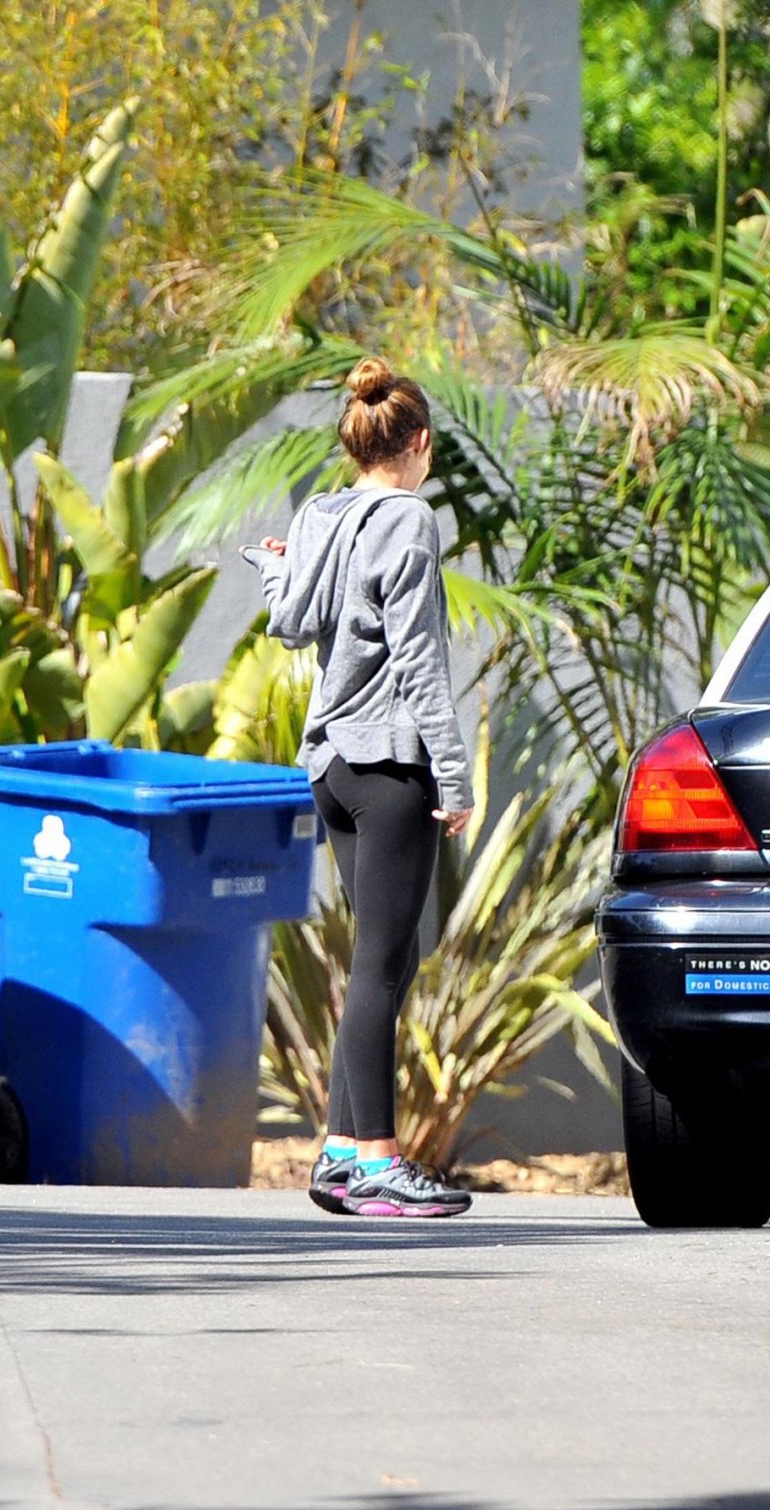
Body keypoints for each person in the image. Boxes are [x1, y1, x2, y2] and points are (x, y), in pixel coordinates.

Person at [241, 356, 474, 1218]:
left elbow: (292, 619)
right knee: (381, 965)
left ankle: (340, 1153)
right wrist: (453, 776)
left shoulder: (322, 515)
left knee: (388, 956)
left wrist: (274, 567)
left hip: (334, 767)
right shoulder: (407, 520)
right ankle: (379, 1159)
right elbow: (418, 660)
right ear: (416, 443)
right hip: (389, 766)